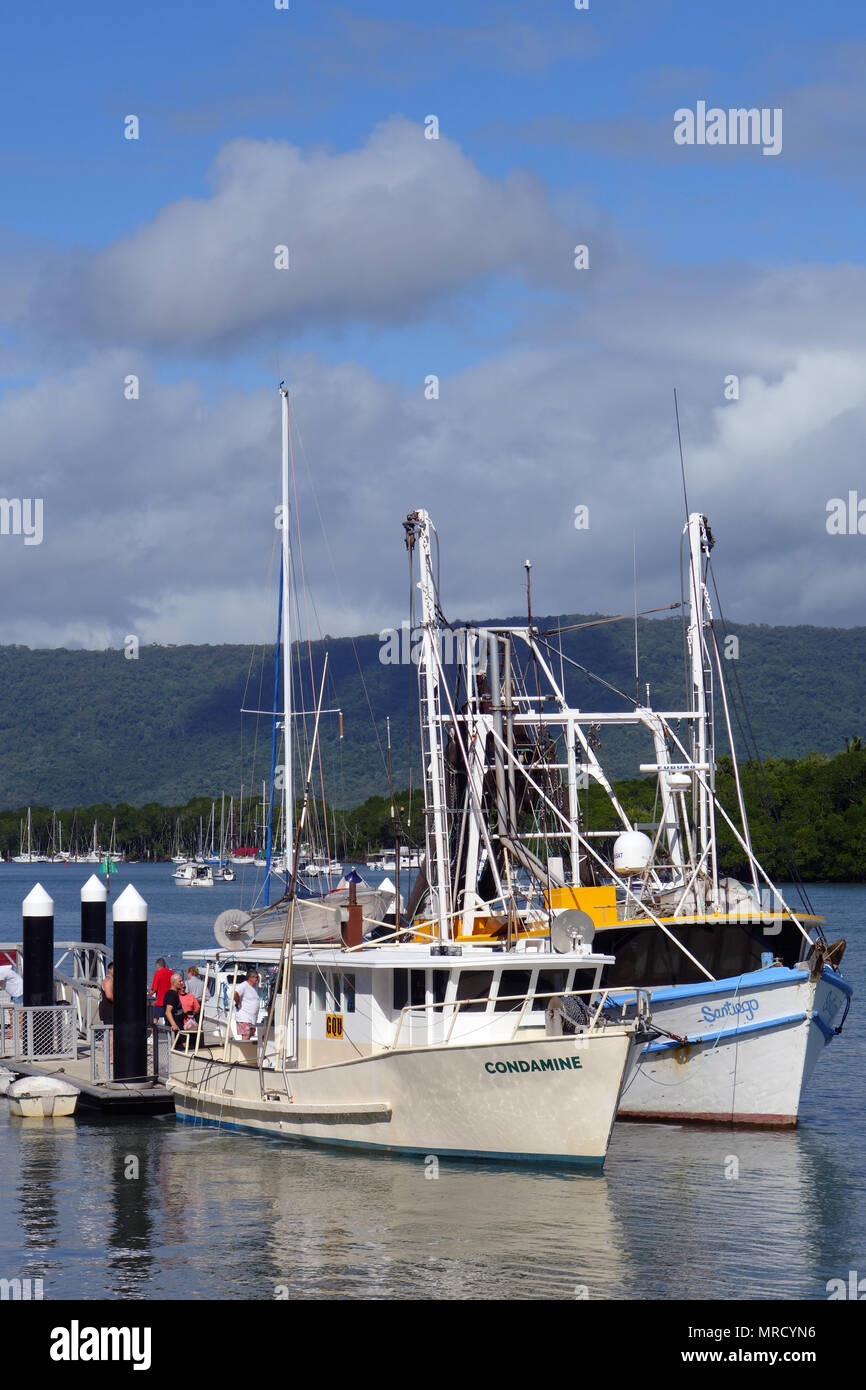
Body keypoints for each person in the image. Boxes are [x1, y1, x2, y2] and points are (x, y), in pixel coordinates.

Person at [233, 970, 260, 1040]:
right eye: (255, 977)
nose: (257, 979)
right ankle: (244, 1050)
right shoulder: (244, 985)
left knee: (250, 1035)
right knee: (246, 1035)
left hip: (252, 1018)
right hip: (244, 1016)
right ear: (250, 978)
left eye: (257, 977)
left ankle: (248, 1050)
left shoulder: (255, 986)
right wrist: (238, 1002)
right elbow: (235, 993)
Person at [163, 973, 187, 1039]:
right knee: (184, 1045)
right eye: (180, 981)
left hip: (179, 1024)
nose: (182, 983)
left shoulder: (175, 994)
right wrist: (173, 1025)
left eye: (182, 981)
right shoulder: (172, 994)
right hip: (175, 1027)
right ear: (173, 982)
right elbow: (168, 1012)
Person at [150, 957, 173, 1023]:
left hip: (160, 1001)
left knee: (155, 1019)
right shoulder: (171, 973)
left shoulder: (157, 974)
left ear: (157, 965)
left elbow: (154, 989)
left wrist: (148, 995)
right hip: (170, 1001)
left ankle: (154, 1032)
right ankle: (169, 1032)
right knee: (169, 1019)